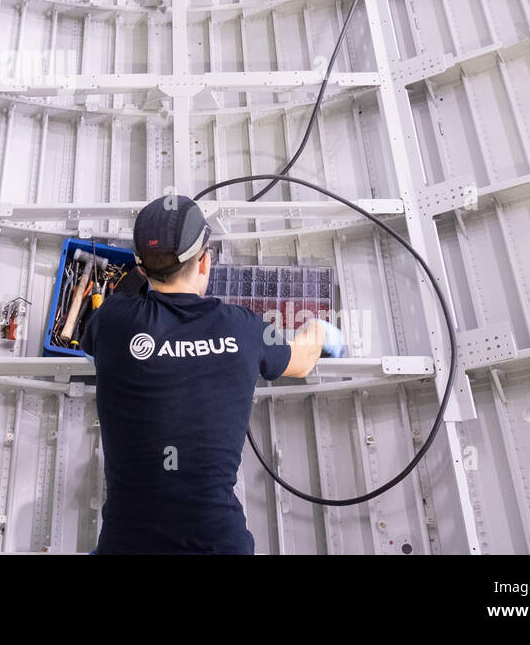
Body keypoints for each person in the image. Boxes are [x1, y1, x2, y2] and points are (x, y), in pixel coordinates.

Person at [81, 193, 346, 555]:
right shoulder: (245, 328)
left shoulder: (113, 321)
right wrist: (319, 330)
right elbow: (300, 362)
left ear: (141, 267)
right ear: (205, 263)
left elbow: (96, 328)